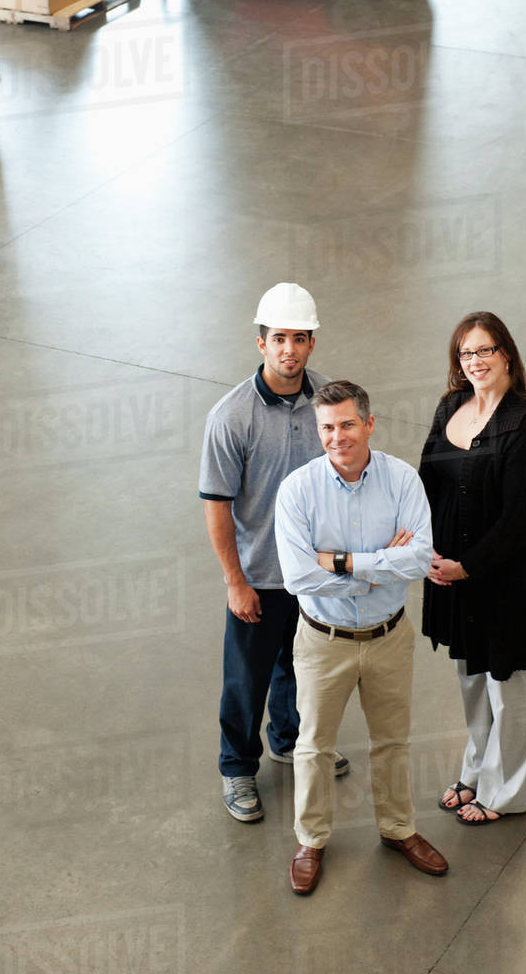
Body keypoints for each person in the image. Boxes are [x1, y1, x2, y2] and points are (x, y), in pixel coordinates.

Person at [274, 379, 449, 893]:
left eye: (348, 425)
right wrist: (381, 564)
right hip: (322, 640)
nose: (337, 437)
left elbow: (419, 558)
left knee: (392, 741)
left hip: (389, 638)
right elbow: (298, 577)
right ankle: (311, 839)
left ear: (369, 424)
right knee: (313, 747)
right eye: (327, 427)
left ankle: (398, 830)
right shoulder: (297, 490)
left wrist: (345, 561)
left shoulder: (402, 480)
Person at [199, 283, 349, 824]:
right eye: (279, 338)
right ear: (261, 343)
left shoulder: (331, 401)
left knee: (301, 665)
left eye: (300, 338)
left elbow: (346, 473)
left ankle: (287, 739)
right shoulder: (231, 417)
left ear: (312, 344)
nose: (290, 349)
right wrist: (235, 581)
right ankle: (237, 766)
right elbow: (218, 505)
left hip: (312, 572)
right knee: (246, 679)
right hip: (259, 575)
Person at [419, 311, 526, 825]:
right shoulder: (451, 405)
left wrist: (466, 566)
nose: (474, 361)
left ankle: (510, 792)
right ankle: (477, 770)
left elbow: (518, 522)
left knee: (509, 687)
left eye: (484, 350)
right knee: (473, 679)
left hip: (503, 583)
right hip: (452, 575)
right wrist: (422, 547)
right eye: (465, 353)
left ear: (506, 355)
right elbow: (426, 479)